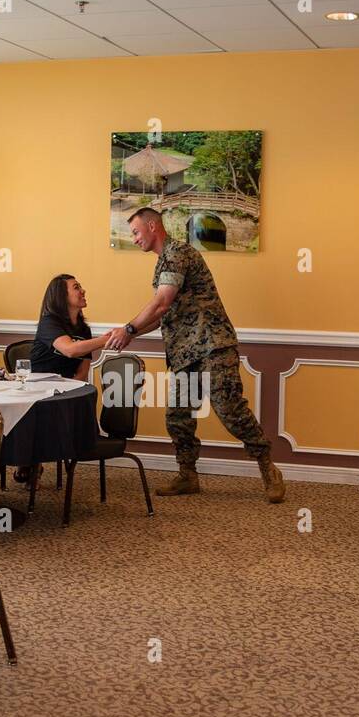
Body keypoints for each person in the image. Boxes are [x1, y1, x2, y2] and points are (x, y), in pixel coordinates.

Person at [106, 207, 285, 503]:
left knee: (230, 410)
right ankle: (187, 476)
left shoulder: (178, 252)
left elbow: (161, 303)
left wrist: (128, 328)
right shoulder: (163, 262)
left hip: (212, 345)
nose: (134, 239)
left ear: (152, 226)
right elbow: (163, 315)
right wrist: (131, 333)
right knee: (178, 417)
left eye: (136, 232)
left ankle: (268, 467)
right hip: (184, 353)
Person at [31, 274, 109, 381]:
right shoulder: (49, 323)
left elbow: (83, 372)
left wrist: (70, 391)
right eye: (76, 287)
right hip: (41, 388)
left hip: (68, 388)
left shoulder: (84, 329)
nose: (83, 291)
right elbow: (70, 350)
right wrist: (108, 339)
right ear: (62, 296)